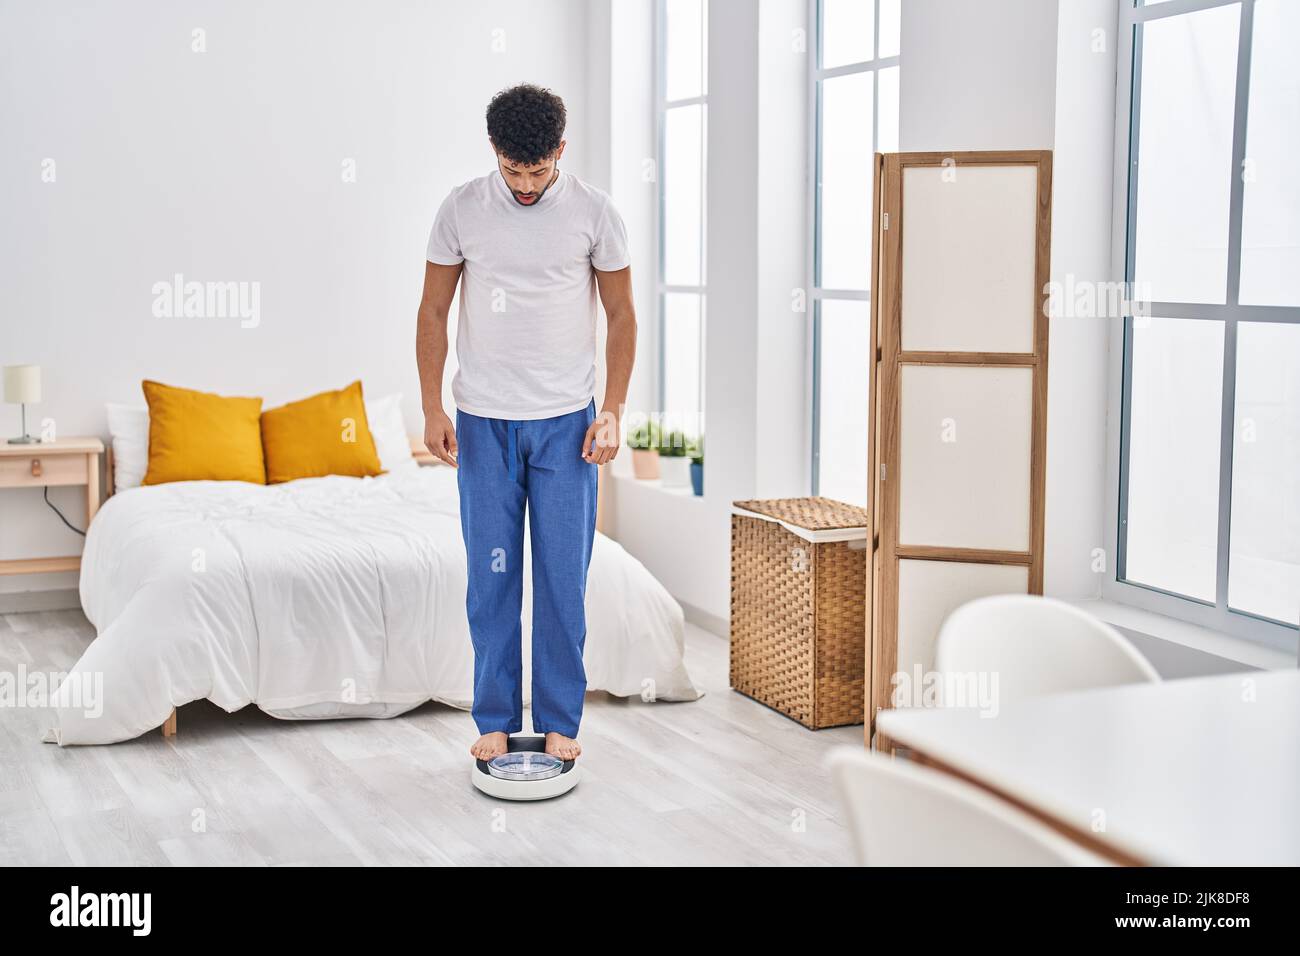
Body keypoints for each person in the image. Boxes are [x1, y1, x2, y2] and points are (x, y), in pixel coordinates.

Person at [416, 84, 636, 764]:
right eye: (514, 169)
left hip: (566, 426)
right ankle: (493, 718)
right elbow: (431, 314)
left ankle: (561, 722)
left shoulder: (596, 213)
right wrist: (432, 407)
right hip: (484, 423)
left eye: (538, 170)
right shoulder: (461, 209)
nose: (525, 183)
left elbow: (623, 316)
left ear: (560, 153)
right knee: (492, 579)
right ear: (496, 154)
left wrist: (615, 409)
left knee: (563, 580)